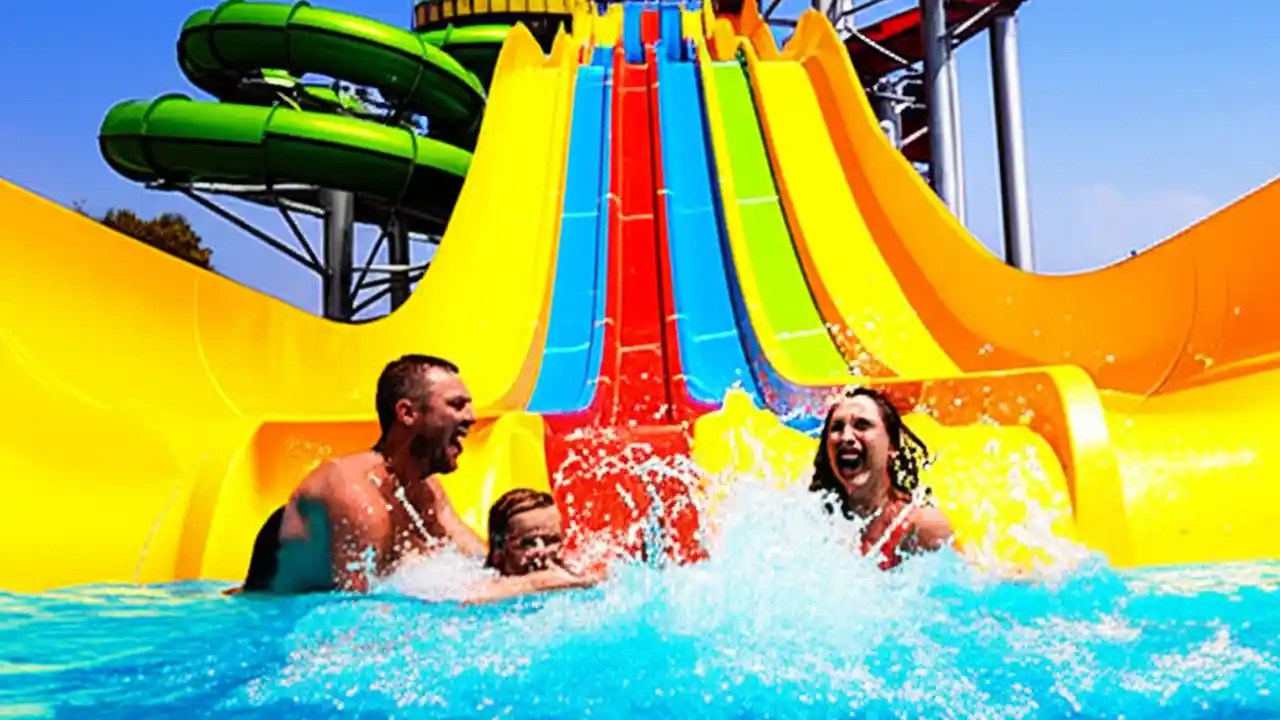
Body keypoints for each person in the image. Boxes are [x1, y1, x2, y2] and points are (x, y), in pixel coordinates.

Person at [232, 354, 489, 595]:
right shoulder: (355, 495)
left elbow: (481, 561)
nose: (471, 418)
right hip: (266, 619)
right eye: (457, 405)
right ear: (407, 413)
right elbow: (355, 615)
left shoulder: (424, 489)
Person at [809, 386, 954, 570]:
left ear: (891, 447)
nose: (846, 437)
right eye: (837, 428)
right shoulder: (815, 521)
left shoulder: (923, 527)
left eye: (862, 425)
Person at [459, 488, 606, 605]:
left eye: (551, 540)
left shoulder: (575, 570)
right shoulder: (483, 586)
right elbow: (474, 598)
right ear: (498, 553)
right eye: (528, 543)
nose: (542, 551)